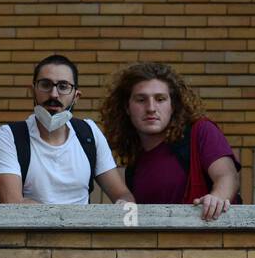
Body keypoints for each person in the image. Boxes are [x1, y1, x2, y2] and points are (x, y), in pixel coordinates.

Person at [0, 54, 133, 205]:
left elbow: (121, 193)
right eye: (45, 84)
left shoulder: (89, 133)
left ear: (76, 96)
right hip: (32, 229)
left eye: (63, 86)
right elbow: (13, 204)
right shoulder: (10, 136)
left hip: (81, 229)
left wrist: (124, 205)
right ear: (32, 90)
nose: (54, 94)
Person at [99, 62, 240, 220]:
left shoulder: (200, 131)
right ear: (126, 107)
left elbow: (227, 176)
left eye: (160, 99)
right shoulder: (135, 162)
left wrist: (217, 197)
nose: (151, 107)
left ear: (173, 106)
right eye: (141, 100)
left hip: (210, 239)